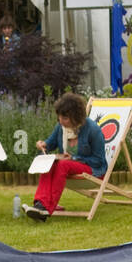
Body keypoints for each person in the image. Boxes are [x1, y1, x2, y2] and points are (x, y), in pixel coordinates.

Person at [23, 92, 107, 222]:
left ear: (76, 117)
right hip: (69, 167)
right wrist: (43, 145)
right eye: (59, 118)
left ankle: (46, 208)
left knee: (62, 164)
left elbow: (99, 161)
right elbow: (49, 143)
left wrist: (74, 158)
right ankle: (40, 204)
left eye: (65, 118)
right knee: (49, 162)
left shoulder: (93, 130)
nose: (61, 121)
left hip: (93, 170)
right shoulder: (61, 127)